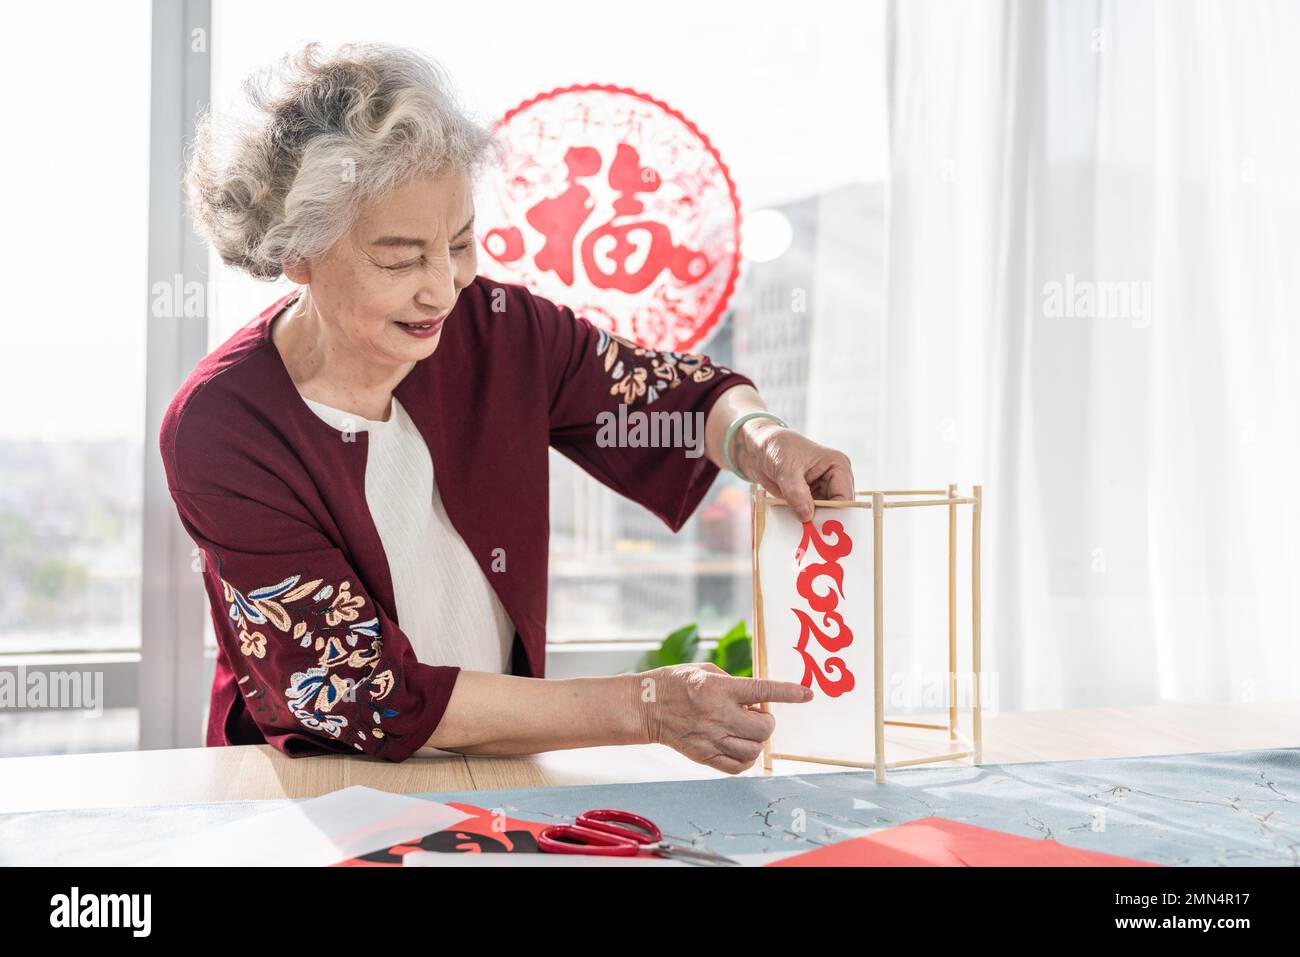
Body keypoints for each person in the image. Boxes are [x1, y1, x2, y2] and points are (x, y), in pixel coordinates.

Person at [163, 41, 855, 772]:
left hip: (499, 769)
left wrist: (760, 438)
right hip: (311, 784)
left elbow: (678, 397)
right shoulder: (223, 426)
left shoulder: (494, 327)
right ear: (295, 253)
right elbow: (369, 693)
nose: (442, 286)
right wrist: (645, 707)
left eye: (460, 243)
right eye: (401, 257)